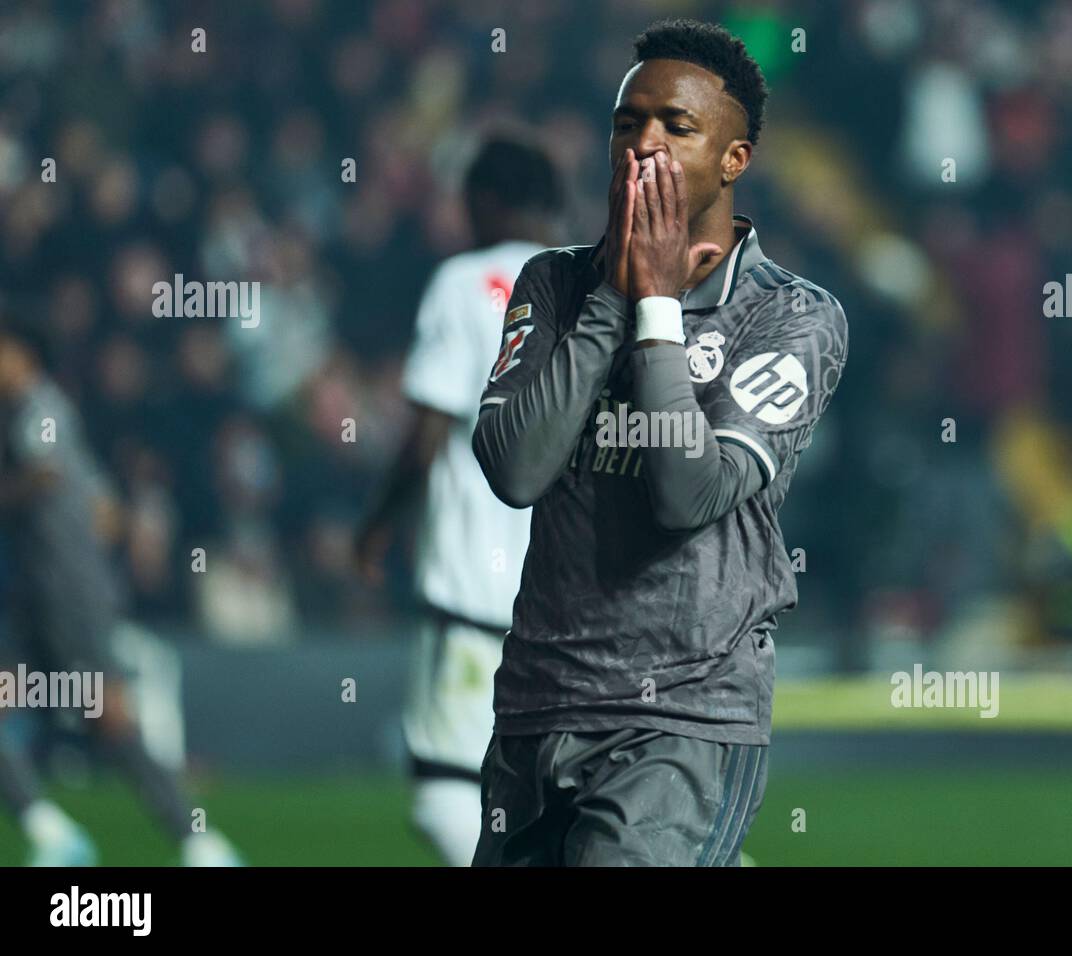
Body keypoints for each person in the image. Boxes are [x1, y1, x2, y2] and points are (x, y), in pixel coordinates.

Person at [471, 18, 848, 866]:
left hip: (682, 719)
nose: (644, 143)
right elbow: (515, 469)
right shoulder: (554, 282)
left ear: (733, 160)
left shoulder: (791, 315)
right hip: (537, 703)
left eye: (676, 127)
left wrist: (658, 311)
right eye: (627, 121)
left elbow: (687, 494)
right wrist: (613, 298)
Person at [354, 135, 563, 866]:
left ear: (484, 202)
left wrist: (377, 526)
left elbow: (425, 434)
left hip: (478, 591)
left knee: (444, 792)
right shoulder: (595, 287)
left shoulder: (464, 284)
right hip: (577, 607)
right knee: (584, 796)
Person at [0, 311, 241, 866]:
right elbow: (103, 506)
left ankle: (198, 841)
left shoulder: (39, 407)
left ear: (26, 357)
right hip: (38, 591)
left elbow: (47, 474)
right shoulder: (28, 412)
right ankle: (51, 832)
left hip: (67, 591)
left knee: (107, 716)